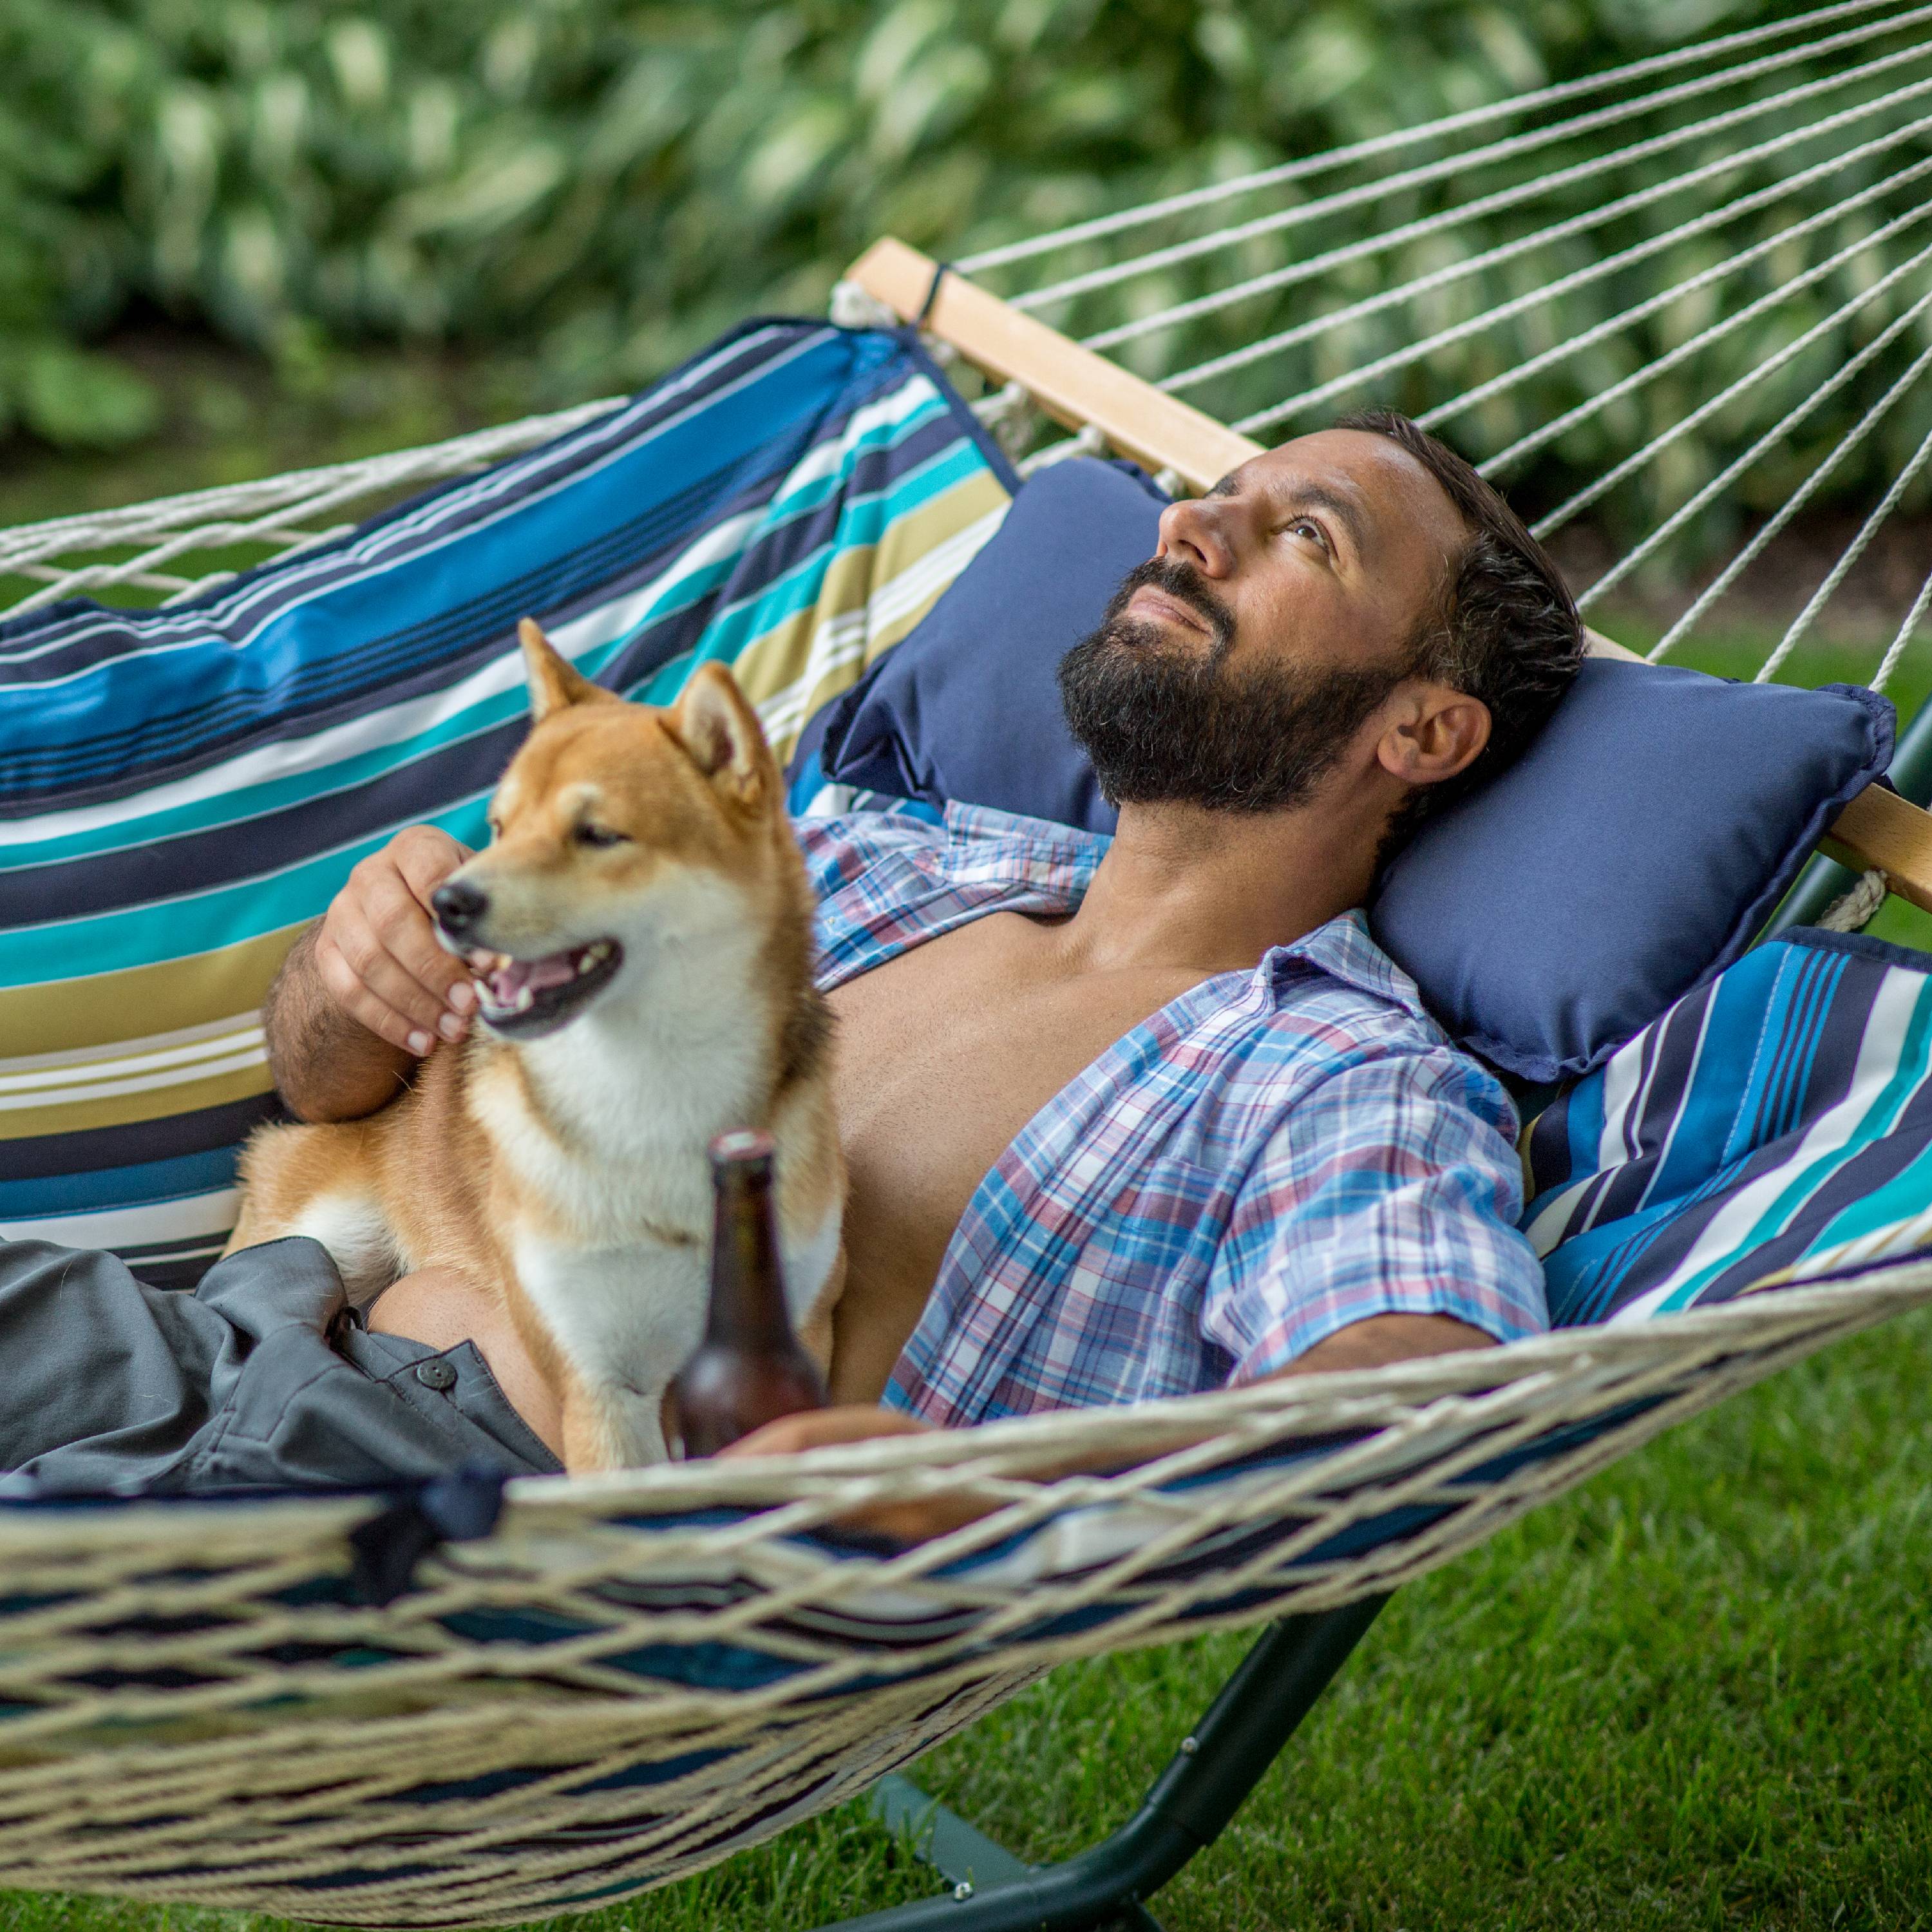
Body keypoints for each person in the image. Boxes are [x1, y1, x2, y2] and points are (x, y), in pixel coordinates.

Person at [0, 410, 1584, 1515]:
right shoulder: (872, 854)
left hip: (450, 1531)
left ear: (1422, 729)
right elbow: (330, 1084)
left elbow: (1396, 1396)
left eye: (1300, 533)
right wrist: (355, 981)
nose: (1190, 526)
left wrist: (984, 1506)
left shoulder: (1339, 1072)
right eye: (1214, 493)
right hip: (247, 1319)